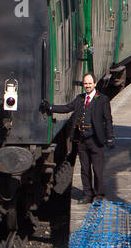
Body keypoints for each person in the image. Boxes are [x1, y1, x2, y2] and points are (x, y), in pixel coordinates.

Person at [41, 74, 115, 204]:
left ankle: (98, 195)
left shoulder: (102, 99)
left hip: (95, 140)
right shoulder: (80, 99)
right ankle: (87, 194)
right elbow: (67, 108)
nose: (87, 86)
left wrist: (110, 137)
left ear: (95, 84)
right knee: (84, 169)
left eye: (90, 83)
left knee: (97, 169)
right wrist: (51, 108)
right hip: (82, 140)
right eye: (85, 84)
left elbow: (108, 119)